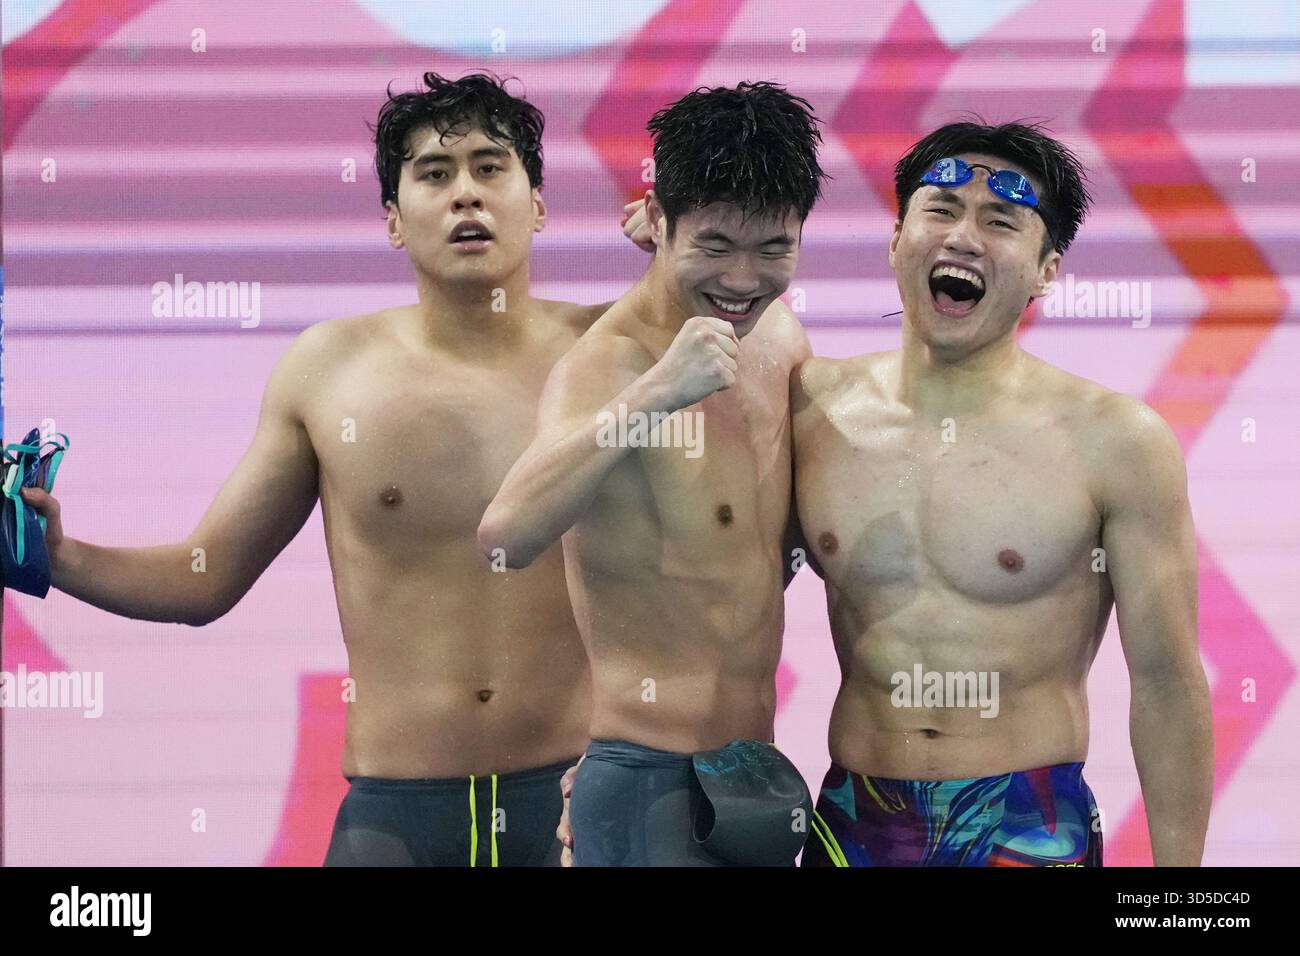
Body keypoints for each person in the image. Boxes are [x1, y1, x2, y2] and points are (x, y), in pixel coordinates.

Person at [20, 72, 614, 866]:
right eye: (435, 175)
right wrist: (51, 556)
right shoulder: (329, 370)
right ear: (395, 221)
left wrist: (681, 254)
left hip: (577, 809)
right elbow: (202, 581)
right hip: (395, 820)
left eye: (490, 167)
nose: (465, 194)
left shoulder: (613, 356)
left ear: (537, 204)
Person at [793, 122, 1212, 866]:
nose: (963, 237)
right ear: (896, 240)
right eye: (942, 209)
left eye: (999, 222)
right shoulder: (809, 409)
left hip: (1024, 822)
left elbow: (1168, 683)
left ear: (1047, 269)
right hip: (854, 818)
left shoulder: (1116, 439)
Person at [479, 82, 827, 866]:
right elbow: (505, 535)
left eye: (774, 250)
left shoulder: (779, 338)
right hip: (648, 778)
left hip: (756, 778)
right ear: (658, 221)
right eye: (714, 247)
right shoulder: (608, 365)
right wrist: (655, 394)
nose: (744, 279)